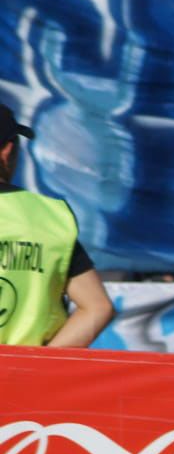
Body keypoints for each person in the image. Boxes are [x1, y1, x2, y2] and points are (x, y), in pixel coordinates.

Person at [0, 104, 113, 347]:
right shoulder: (47, 217)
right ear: (8, 151)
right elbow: (97, 307)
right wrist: (38, 369)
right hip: (19, 381)